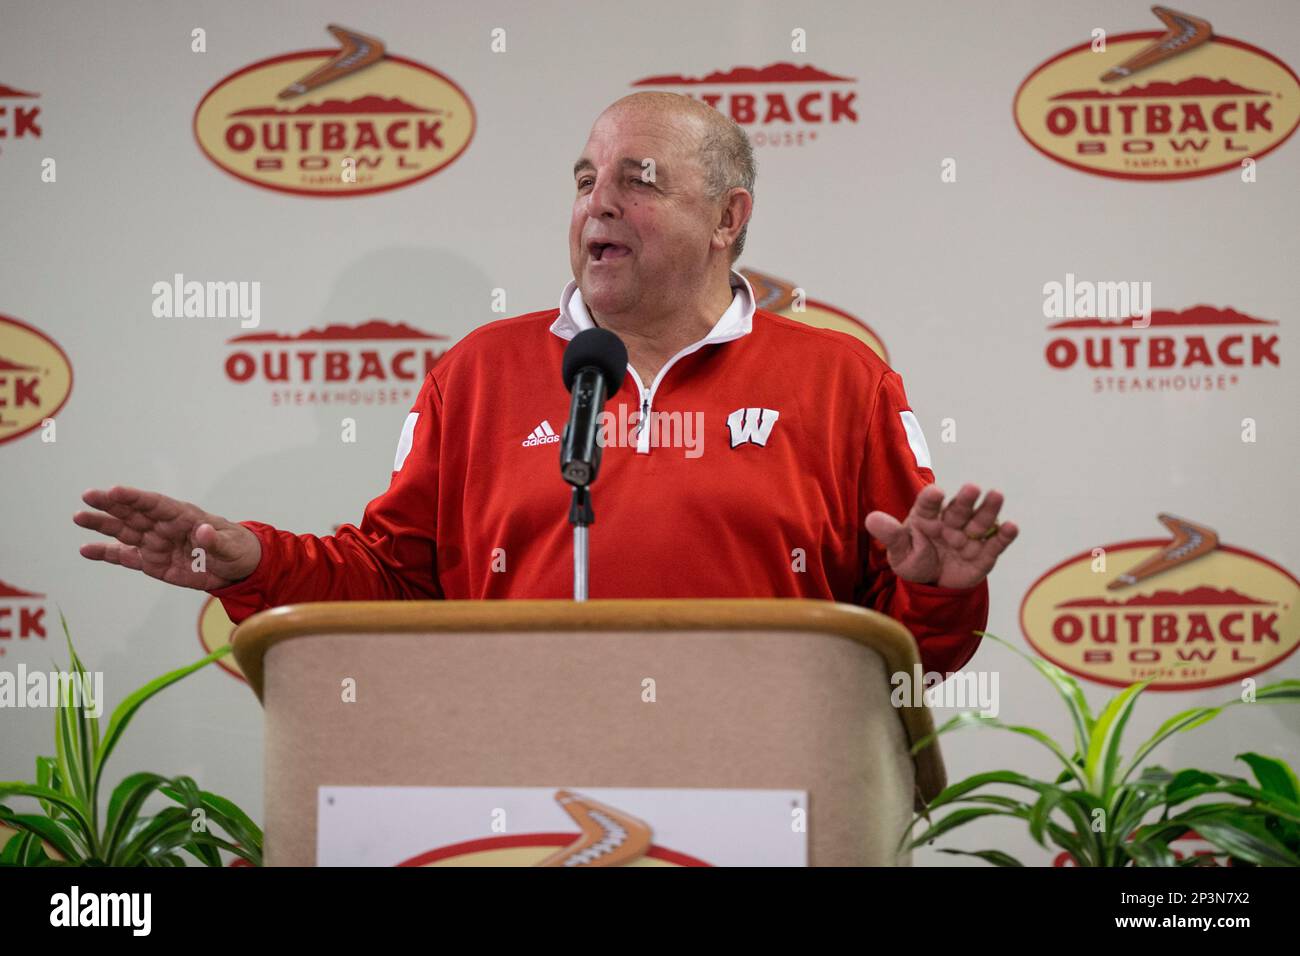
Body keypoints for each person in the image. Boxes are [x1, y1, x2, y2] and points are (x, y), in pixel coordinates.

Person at [74, 92, 1018, 674]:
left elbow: (914, 649)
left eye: (637, 179)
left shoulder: (840, 378)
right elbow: (399, 584)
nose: (598, 202)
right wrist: (253, 562)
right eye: (584, 179)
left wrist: (939, 591)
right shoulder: (479, 373)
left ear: (730, 217)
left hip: (774, 785)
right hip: (515, 789)